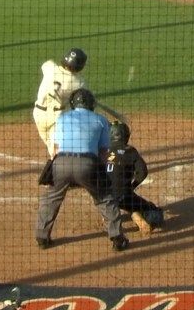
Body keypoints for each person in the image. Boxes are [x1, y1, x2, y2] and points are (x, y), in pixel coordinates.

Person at [35, 88, 129, 252]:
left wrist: (53, 171)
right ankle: (117, 239)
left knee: (51, 198)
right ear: (91, 104)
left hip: (61, 164)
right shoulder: (101, 120)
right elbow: (103, 152)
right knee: (105, 198)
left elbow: (55, 149)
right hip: (87, 164)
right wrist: (99, 173)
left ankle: (42, 238)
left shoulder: (62, 118)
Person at [33, 47, 127, 158]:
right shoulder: (78, 82)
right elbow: (84, 96)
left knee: (51, 147)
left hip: (38, 114)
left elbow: (46, 66)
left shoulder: (50, 67)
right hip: (55, 119)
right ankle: (59, 169)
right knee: (56, 149)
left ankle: (57, 166)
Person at [102, 121, 164, 237]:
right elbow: (142, 172)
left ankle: (107, 214)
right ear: (126, 136)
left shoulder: (102, 151)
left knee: (107, 198)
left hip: (103, 196)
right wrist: (130, 187)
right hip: (123, 196)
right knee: (156, 213)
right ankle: (136, 214)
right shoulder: (130, 151)